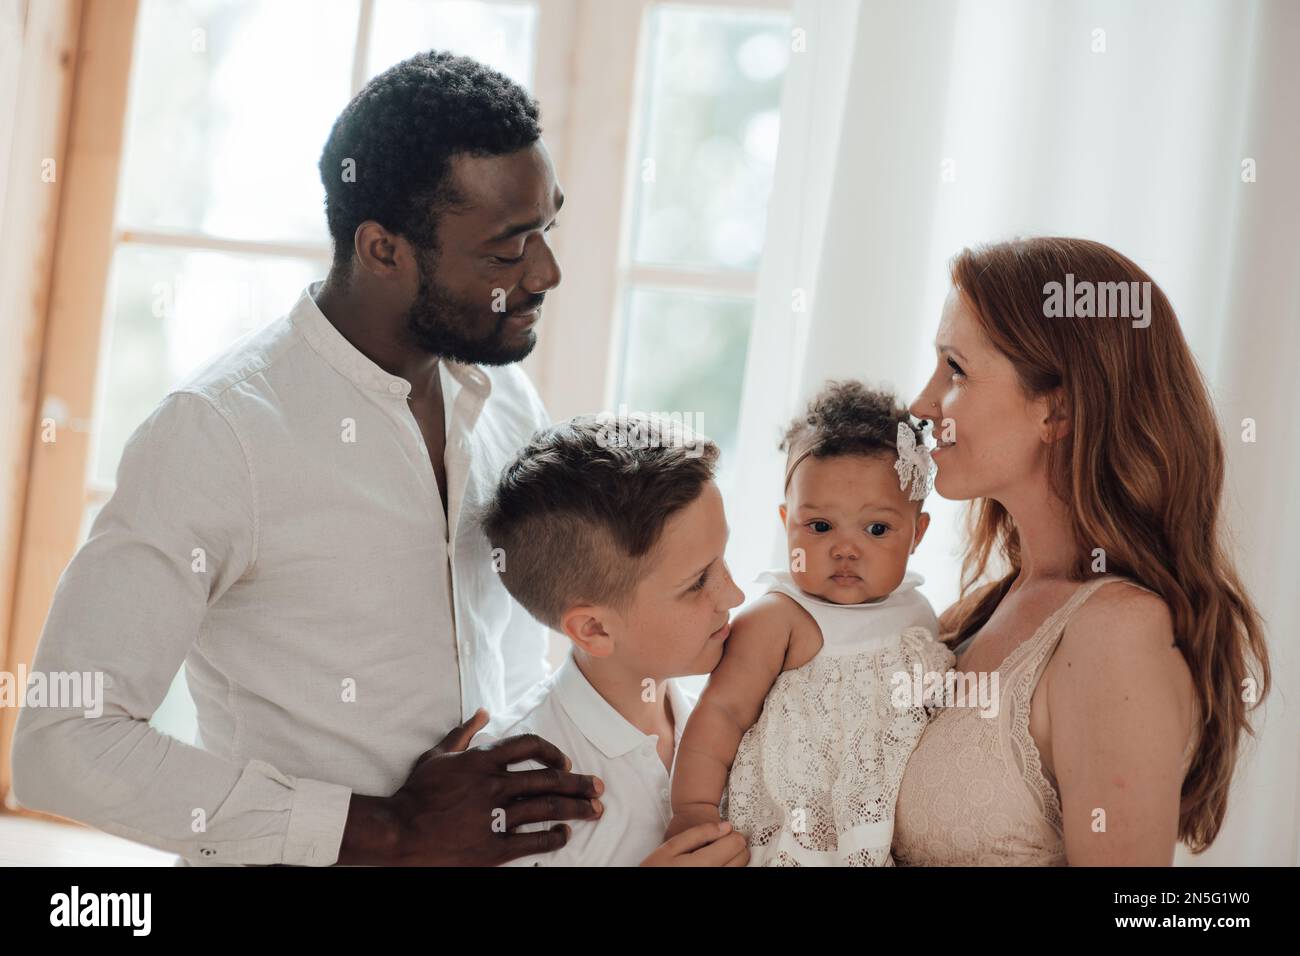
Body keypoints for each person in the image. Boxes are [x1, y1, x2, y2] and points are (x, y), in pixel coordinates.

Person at [12, 51, 603, 866]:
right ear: (383, 250)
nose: (546, 273)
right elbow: (63, 743)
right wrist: (388, 830)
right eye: (506, 251)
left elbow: (518, 660)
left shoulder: (504, 399)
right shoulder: (218, 434)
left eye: (547, 229)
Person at [893, 237, 1271, 865]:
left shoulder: (1115, 632)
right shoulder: (984, 610)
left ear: (1058, 410)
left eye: (955, 369)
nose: (921, 405)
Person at [668, 381, 954, 865]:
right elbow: (721, 713)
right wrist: (693, 809)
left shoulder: (918, 614)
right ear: (788, 522)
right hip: (789, 833)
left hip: (875, 833)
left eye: (877, 529)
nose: (845, 549)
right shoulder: (778, 618)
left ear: (916, 534)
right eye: (820, 526)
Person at [476, 413, 750, 866]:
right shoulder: (514, 788)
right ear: (595, 630)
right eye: (699, 581)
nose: (735, 595)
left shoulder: (742, 721)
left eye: (723, 558)